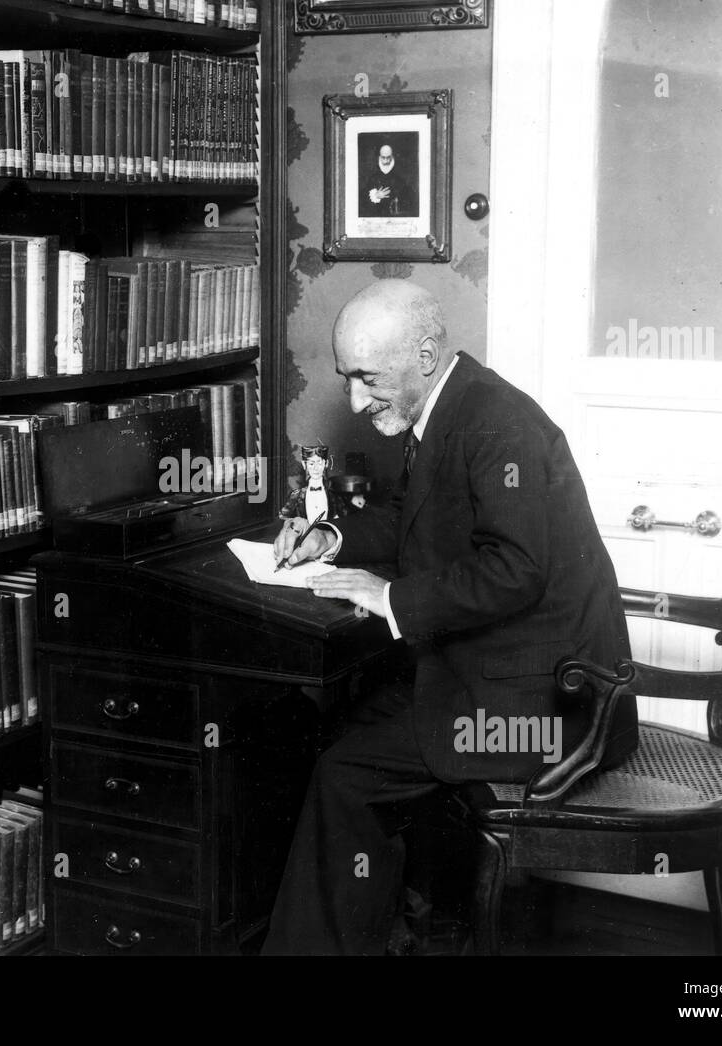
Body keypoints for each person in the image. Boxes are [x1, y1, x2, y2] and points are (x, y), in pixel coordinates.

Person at [261, 280, 638, 955]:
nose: (353, 400)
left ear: (427, 357)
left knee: (343, 774)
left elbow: (515, 570)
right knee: (335, 732)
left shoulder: (499, 427)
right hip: (507, 675)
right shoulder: (452, 407)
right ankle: (394, 933)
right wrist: (332, 537)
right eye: (348, 378)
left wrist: (390, 598)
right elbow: (411, 517)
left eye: (368, 378)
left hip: (549, 706)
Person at [278, 444, 348, 523]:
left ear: (326, 464)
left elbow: (346, 517)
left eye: (319, 463)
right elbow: (282, 516)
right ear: (304, 465)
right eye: (311, 464)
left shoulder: (334, 495)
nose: (316, 468)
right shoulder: (296, 495)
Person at [358, 143, 417, 218]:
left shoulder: (400, 176)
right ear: (379, 157)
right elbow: (362, 199)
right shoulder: (372, 176)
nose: (386, 161)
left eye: (388, 158)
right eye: (383, 158)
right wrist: (375, 196)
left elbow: (409, 199)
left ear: (392, 157)